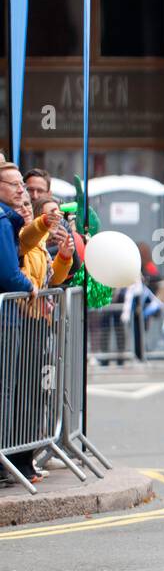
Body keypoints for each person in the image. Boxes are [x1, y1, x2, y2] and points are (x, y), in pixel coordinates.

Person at [0, 163, 40, 484]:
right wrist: (29, 286)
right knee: (7, 391)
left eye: (20, 185)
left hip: (11, 318)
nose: (20, 190)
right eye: (14, 184)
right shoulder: (2, 221)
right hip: (6, 319)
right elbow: (7, 274)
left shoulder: (9, 220)